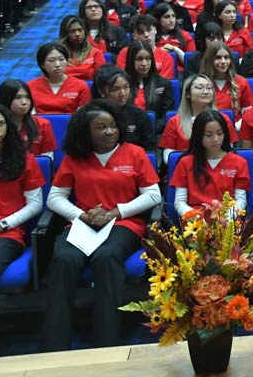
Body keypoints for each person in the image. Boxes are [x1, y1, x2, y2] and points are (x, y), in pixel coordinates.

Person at [42, 100, 161, 351]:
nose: (110, 132)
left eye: (112, 126)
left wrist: (115, 212)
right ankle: (54, 344)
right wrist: (82, 216)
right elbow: (54, 198)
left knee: (107, 257)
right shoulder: (75, 158)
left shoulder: (135, 153)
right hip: (84, 224)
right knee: (64, 258)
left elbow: (153, 195)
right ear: (86, 132)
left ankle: (107, 342)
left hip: (123, 224)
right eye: (101, 127)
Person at [0, 103, 45, 285]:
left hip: (7, 233)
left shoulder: (23, 159)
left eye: (1, 124)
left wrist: (2, 225)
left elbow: (35, 204)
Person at [169, 110, 248, 218]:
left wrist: (226, 217)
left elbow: (241, 201)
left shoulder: (239, 162)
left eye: (219, 133)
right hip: (195, 223)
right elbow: (179, 202)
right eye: (208, 135)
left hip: (227, 221)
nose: (215, 139)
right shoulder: (185, 163)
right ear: (199, 136)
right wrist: (198, 218)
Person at [160, 74, 238, 161]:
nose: (205, 92)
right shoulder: (175, 121)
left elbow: (229, 150)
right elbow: (168, 157)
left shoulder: (223, 119)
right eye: (199, 88)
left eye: (209, 88)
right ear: (188, 94)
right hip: (186, 168)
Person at [90, 65, 156, 152]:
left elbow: (150, 151)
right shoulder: (89, 116)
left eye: (126, 87)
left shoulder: (139, 115)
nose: (123, 93)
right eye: (115, 89)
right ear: (101, 91)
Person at [0, 79, 56, 157]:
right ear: (6, 99)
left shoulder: (43, 125)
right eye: (18, 97)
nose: (24, 102)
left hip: (34, 168)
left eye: (27, 97)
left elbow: (47, 160)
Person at [27, 42, 91, 114]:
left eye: (61, 59)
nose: (57, 64)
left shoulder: (80, 86)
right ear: (42, 64)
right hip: (39, 124)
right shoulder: (30, 86)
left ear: (67, 61)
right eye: (52, 60)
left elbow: (84, 117)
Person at [200, 41, 253, 120]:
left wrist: (236, 126)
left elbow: (248, 112)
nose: (223, 62)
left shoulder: (242, 82)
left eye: (226, 57)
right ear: (210, 60)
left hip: (236, 127)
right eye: (218, 58)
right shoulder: (201, 83)